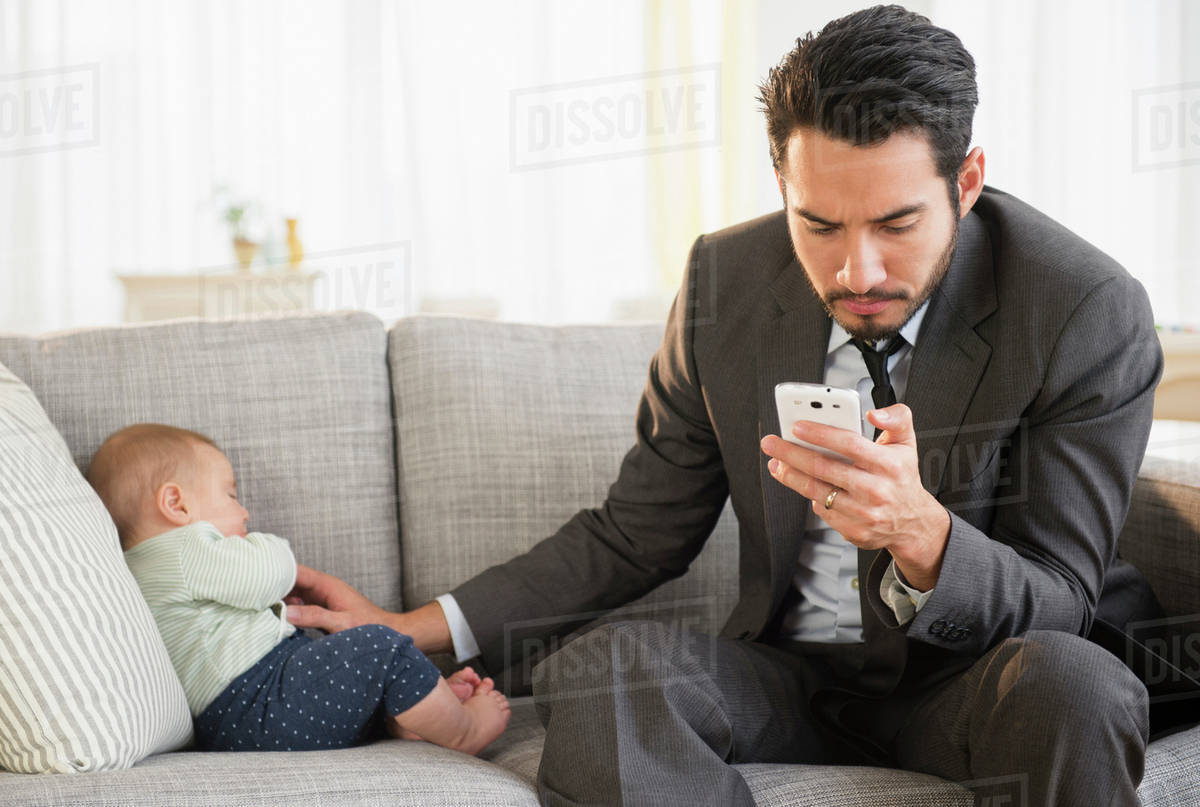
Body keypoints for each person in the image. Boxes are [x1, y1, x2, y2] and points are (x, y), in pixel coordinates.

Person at [284, 5, 1195, 805]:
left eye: (896, 223)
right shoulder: (725, 277)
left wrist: (922, 535)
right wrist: (418, 630)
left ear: (966, 182)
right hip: (794, 671)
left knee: (1075, 681)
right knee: (605, 673)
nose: (856, 271)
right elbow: (635, 533)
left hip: (980, 679)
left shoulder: (1081, 306)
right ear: (783, 188)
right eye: (820, 223)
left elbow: (1064, 598)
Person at [85, 423, 511, 755]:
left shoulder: (148, 566)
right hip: (253, 700)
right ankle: (462, 731)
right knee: (379, 648)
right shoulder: (181, 549)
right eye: (230, 495)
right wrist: (274, 553)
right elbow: (265, 571)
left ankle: (409, 715)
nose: (244, 511)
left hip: (237, 715)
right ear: (176, 504)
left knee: (342, 663)